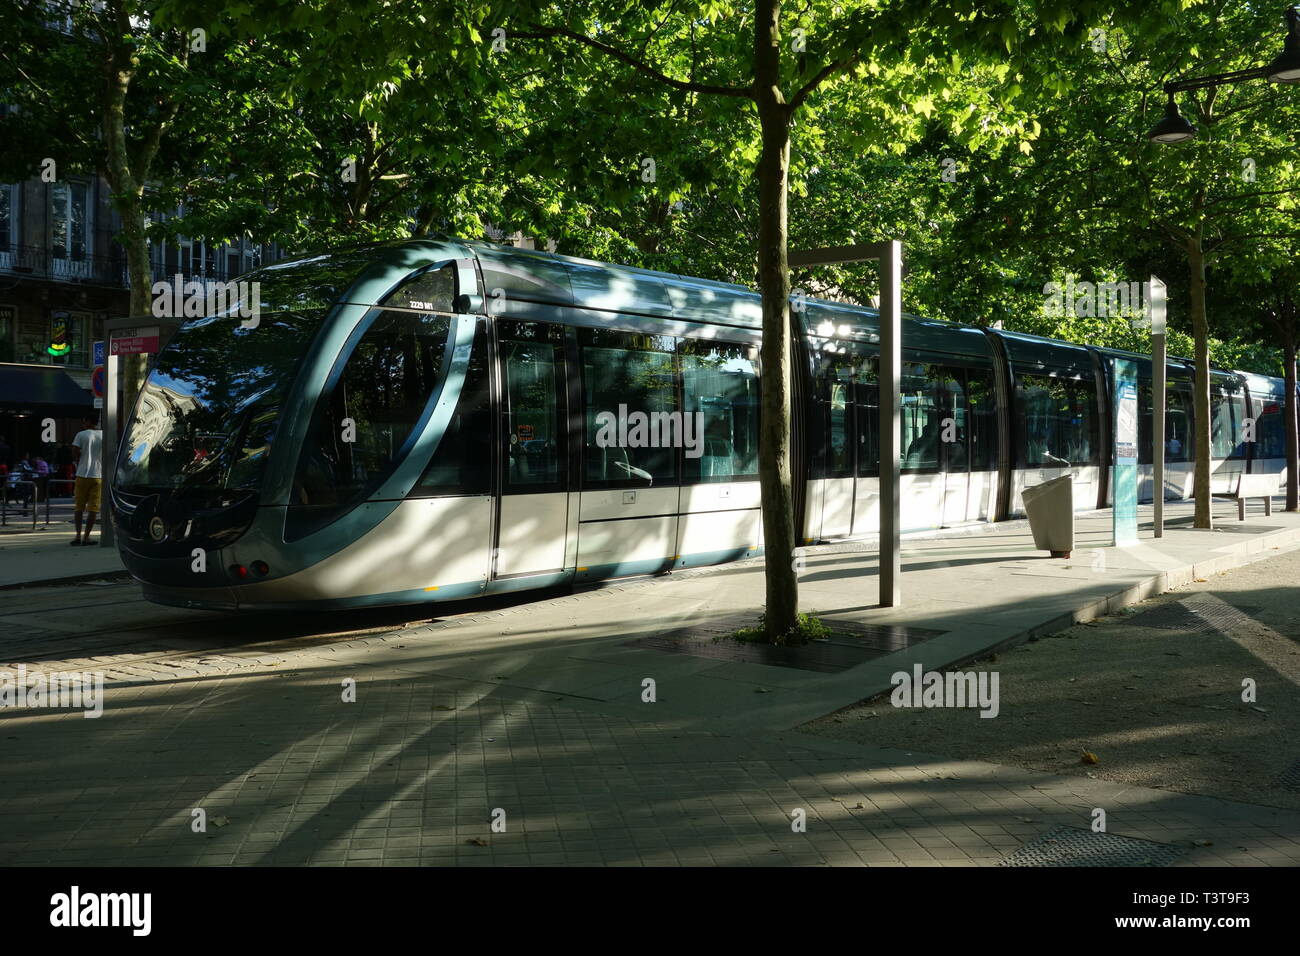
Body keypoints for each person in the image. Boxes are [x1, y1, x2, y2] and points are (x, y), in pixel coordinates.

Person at [70, 413, 103, 546]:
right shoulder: (104, 435)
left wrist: (78, 459)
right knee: (93, 508)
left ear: (88, 421)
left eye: (84, 421)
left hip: (82, 474)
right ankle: (87, 537)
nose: (83, 424)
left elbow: (75, 450)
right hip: (98, 475)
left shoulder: (81, 434)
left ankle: (77, 535)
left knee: (79, 507)